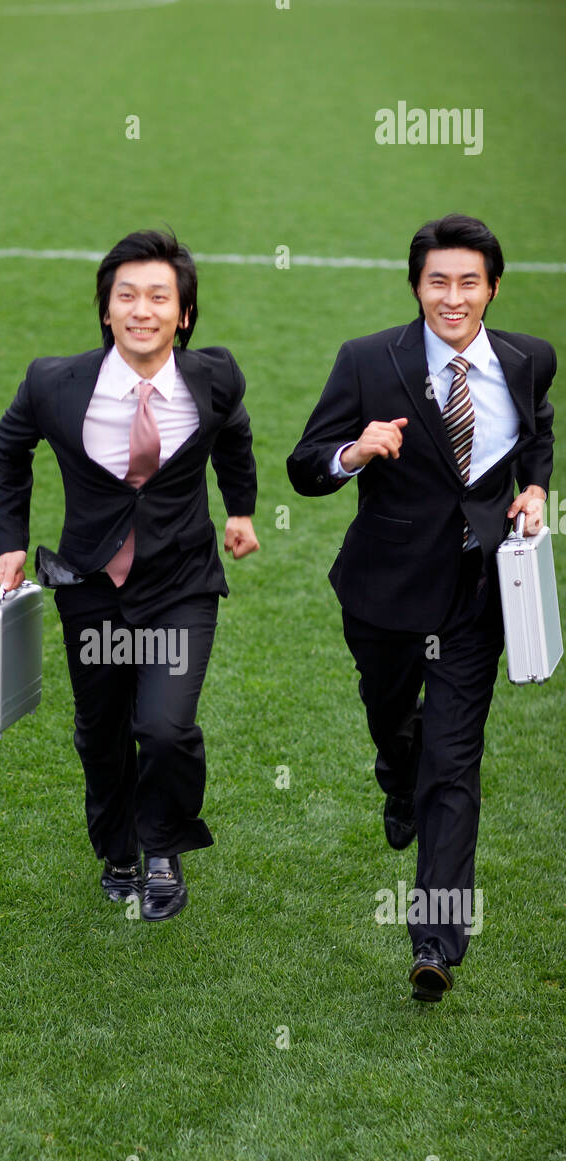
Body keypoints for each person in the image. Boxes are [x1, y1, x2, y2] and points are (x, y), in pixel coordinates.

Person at [287, 213, 556, 1001]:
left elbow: (536, 434)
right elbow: (305, 466)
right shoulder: (369, 361)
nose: (453, 296)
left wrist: (536, 488)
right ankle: (393, 767)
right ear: (416, 287)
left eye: (469, 281)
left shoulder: (529, 359)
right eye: (438, 281)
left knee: (454, 765)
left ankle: (434, 940)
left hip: (475, 600)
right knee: (395, 725)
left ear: (492, 288)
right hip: (384, 596)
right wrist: (353, 452)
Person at [0, 229, 259, 920]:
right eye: (126, 296)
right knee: (102, 728)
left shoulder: (216, 377)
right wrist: (12, 541)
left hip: (182, 584)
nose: (143, 310)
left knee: (165, 728)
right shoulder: (53, 382)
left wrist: (242, 511)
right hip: (89, 587)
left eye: (159, 297)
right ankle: (118, 849)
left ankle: (163, 845)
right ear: (106, 310)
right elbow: (7, 451)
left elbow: (234, 436)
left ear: (184, 315)